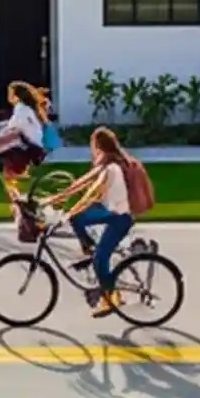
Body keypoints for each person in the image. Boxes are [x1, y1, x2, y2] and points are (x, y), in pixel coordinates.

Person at [41, 126, 134, 318]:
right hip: (111, 212)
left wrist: (70, 212)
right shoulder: (106, 163)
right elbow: (81, 183)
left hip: (118, 218)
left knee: (100, 258)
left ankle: (110, 299)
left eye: (93, 145)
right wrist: (54, 199)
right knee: (79, 219)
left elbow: (91, 195)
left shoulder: (110, 168)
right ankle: (90, 251)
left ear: (99, 146)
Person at [0, 81, 50, 197]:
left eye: (10, 93)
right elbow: (12, 125)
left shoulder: (21, 109)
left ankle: (22, 189)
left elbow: (12, 127)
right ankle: (18, 197)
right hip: (32, 147)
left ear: (16, 96)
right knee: (6, 169)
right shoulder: (24, 108)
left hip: (29, 148)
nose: (8, 96)